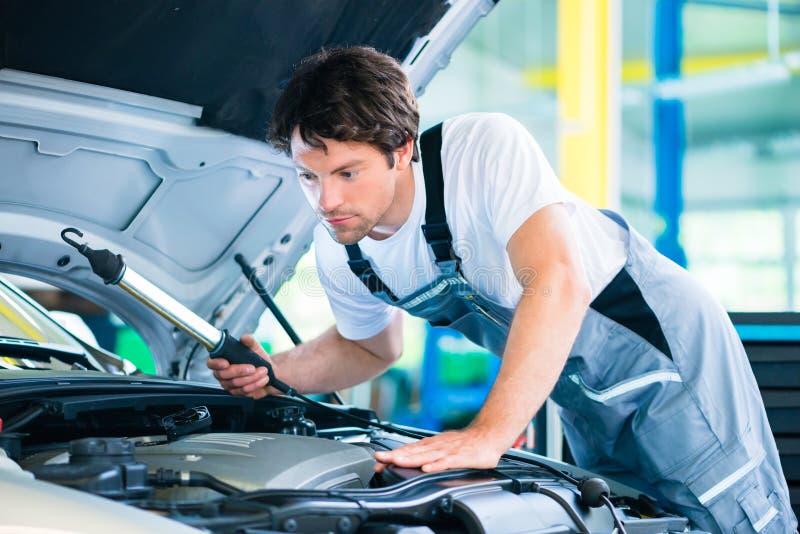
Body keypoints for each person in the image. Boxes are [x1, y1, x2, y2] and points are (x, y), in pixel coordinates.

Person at [207, 46, 796, 533]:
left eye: (346, 173)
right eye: (308, 175)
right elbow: (368, 350)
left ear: (401, 150)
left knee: (733, 515)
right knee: (636, 521)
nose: (325, 200)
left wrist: (485, 435)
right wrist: (274, 371)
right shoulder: (342, 252)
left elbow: (557, 283)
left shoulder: (480, 151)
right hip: (580, 391)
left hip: (665, 351)